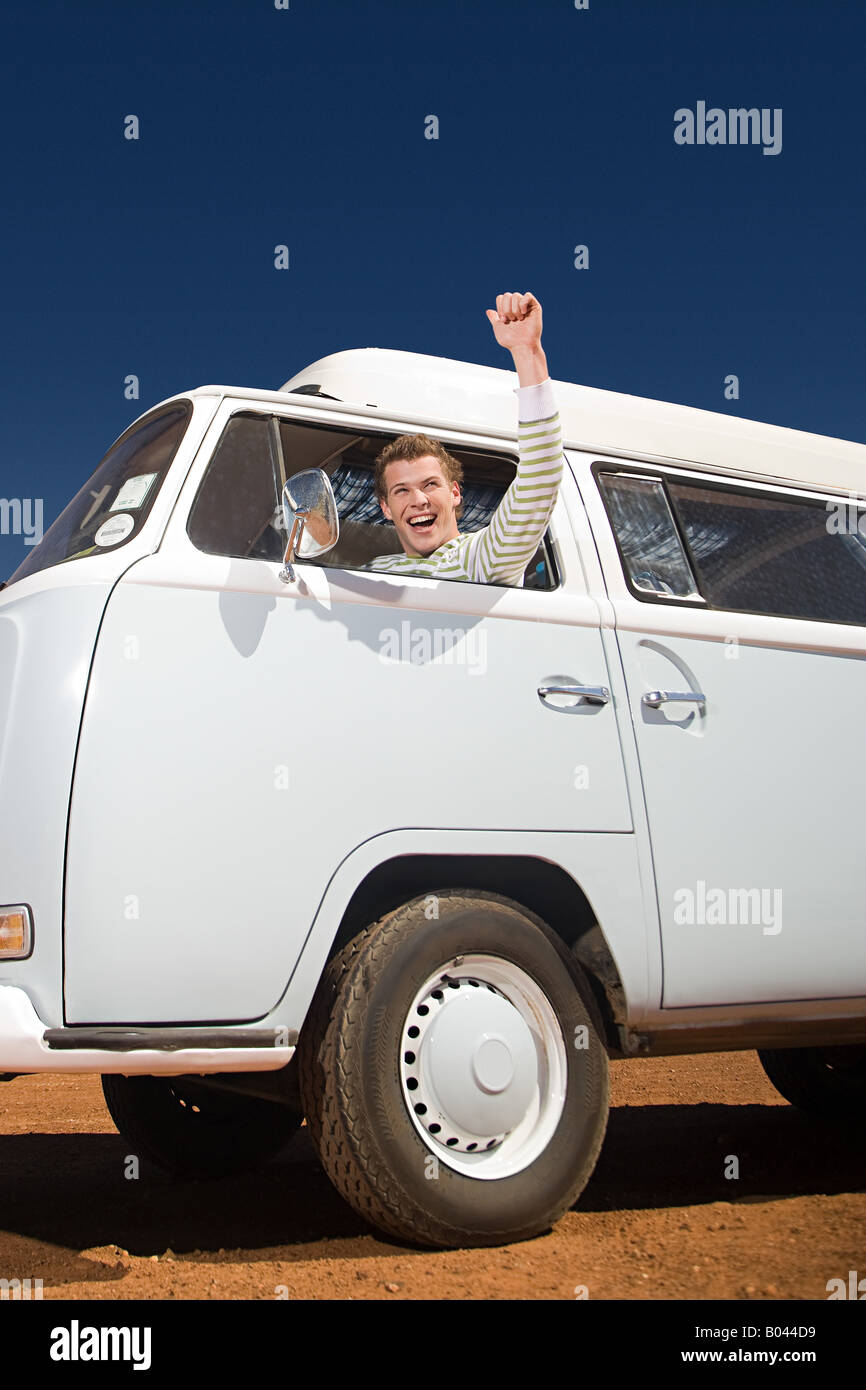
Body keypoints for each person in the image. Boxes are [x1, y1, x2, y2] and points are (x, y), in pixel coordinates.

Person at [366, 291, 563, 586]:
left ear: (455, 493)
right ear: (385, 508)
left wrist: (526, 351)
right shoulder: (374, 570)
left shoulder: (477, 558)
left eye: (430, 484)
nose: (419, 500)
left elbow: (540, 477)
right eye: (401, 491)